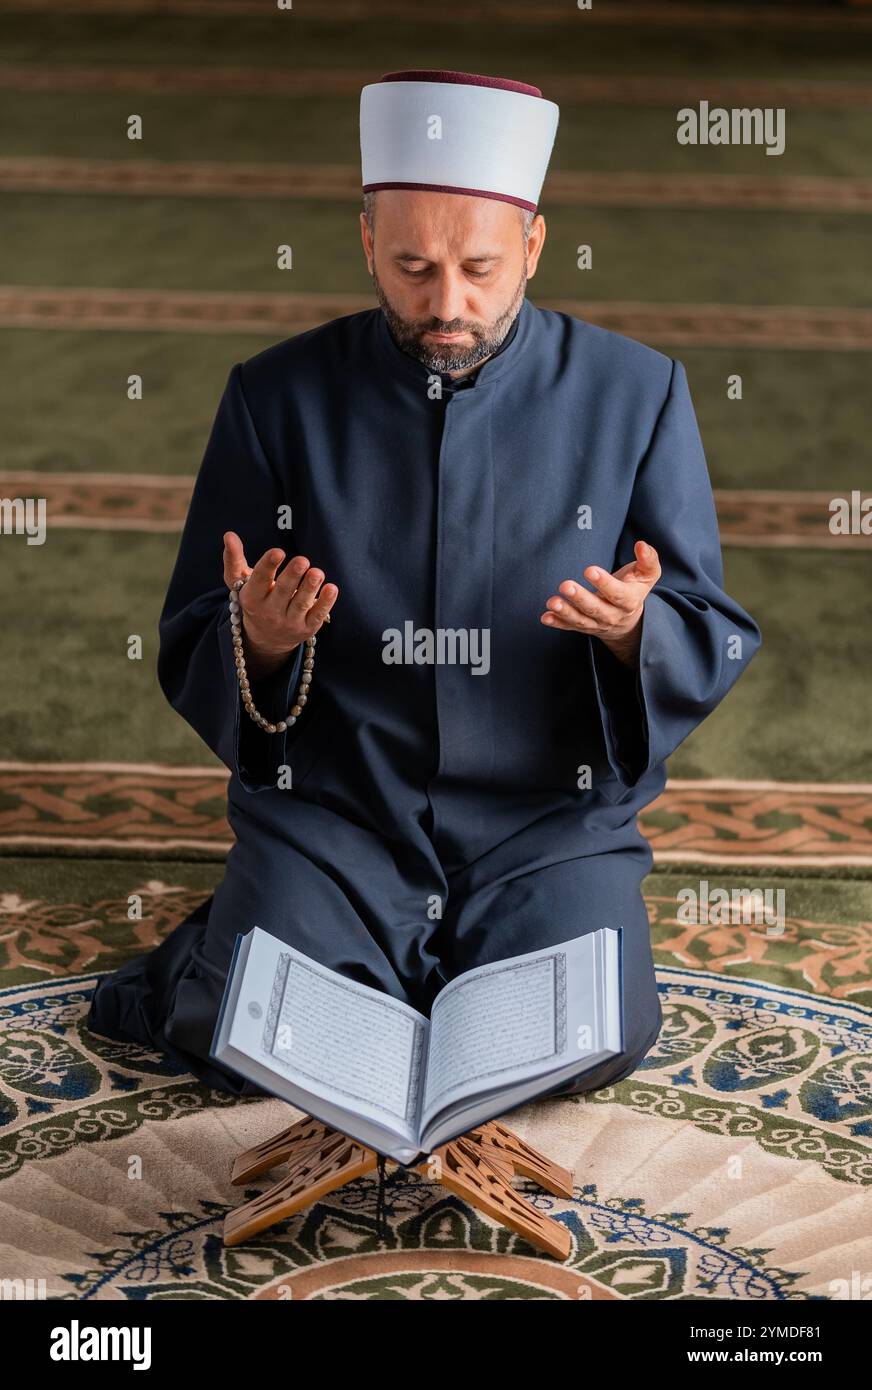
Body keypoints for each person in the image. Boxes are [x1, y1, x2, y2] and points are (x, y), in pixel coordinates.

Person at [87, 69, 761, 1106]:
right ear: (366, 245)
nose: (447, 305)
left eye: (479, 270)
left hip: (545, 822)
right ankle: (230, 949)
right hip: (338, 815)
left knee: (598, 1032)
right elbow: (196, 623)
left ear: (533, 246)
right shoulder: (274, 397)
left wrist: (636, 632)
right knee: (238, 1028)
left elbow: (707, 622)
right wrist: (258, 639)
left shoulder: (636, 392)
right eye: (412, 268)